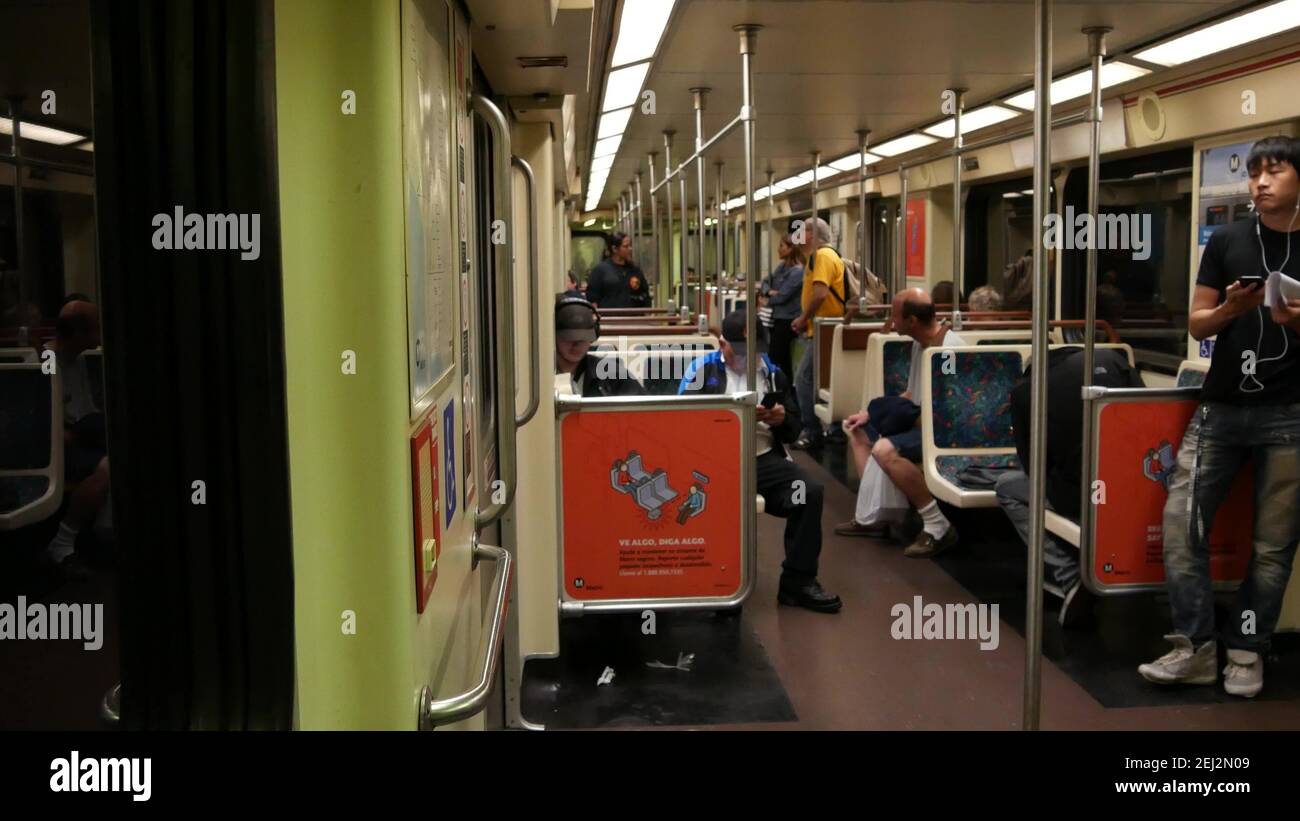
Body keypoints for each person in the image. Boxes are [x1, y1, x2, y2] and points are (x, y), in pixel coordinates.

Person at [1138, 136, 1300, 698]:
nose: (1260, 182)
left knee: (1274, 548)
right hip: (1222, 407)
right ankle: (1196, 647)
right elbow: (1198, 325)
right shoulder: (1229, 241)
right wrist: (1232, 308)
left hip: (1290, 415)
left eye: (1273, 171)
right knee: (1183, 528)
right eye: (1254, 172)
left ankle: (1248, 648)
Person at [678, 310, 841, 613]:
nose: (746, 359)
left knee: (808, 492)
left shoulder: (773, 373)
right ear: (722, 344)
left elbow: (794, 429)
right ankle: (714, 579)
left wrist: (781, 419)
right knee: (710, 501)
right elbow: (681, 427)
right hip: (712, 464)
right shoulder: (700, 373)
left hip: (763, 461)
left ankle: (797, 581)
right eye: (739, 352)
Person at [994, 347, 1145, 627]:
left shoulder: (1027, 392)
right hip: (1139, 487)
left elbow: (1034, 468)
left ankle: (1068, 574)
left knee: (1006, 487)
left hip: (1080, 495)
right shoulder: (1117, 362)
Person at [835, 288, 964, 557]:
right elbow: (910, 394)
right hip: (922, 423)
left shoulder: (949, 352)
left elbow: (951, 412)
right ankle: (874, 517)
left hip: (944, 432)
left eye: (895, 315)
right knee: (858, 432)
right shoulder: (920, 345)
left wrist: (904, 423)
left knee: (884, 449)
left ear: (912, 321)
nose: (891, 321)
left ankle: (937, 524)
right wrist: (869, 415)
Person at [38, 299, 109, 582]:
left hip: (81, 436)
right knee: (107, 468)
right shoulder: (46, 364)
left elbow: (86, 409)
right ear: (80, 332)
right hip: (58, 448)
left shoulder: (76, 360)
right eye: (94, 327)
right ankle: (63, 542)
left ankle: (104, 536)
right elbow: (45, 431)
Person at [789, 217, 846, 450]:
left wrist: (803, 318)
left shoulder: (821, 256)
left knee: (803, 379)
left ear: (811, 235)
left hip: (826, 328)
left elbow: (821, 293)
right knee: (827, 378)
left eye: (800, 231)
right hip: (825, 329)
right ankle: (835, 428)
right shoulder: (824, 256)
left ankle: (812, 431)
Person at [554, 297, 644, 397]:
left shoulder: (614, 374)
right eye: (569, 338)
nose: (576, 345)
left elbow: (644, 409)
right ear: (554, 337)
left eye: (583, 338)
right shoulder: (538, 380)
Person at [764, 234, 804, 380]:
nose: (778, 249)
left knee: (776, 357)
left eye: (782, 246)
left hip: (789, 320)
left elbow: (782, 296)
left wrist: (769, 297)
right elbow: (765, 283)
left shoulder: (798, 271)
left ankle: (781, 391)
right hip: (777, 318)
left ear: (791, 249)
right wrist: (769, 291)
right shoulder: (781, 267)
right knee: (780, 358)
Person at [586, 232, 650, 309]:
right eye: (626, 246)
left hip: (633, 317)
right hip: (609, 318)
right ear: (614, 249)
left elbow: (645, 294)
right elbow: (592, 298)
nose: (630, 249)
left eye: (630, 246)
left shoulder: (635, 270)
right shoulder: (600, 270)